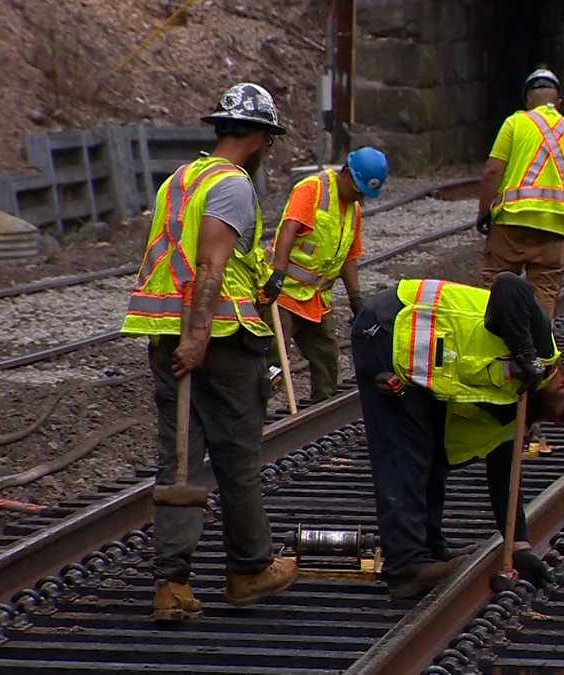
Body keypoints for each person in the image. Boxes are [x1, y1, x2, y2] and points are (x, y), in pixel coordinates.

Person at [121, 82, 298, 622]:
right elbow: (209, 265)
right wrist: (198, 340)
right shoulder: (233, 184)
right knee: (236, 456)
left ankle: (171, 584)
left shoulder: (180, 179)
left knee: (178, 458)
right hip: (219, 341)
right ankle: (249, 569)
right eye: (269, 140)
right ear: (260, 138)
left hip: (164, 332)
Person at [352, 271, 564, 599]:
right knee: (406, 452)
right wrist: (525, 354)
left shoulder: (519, 410)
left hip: (418, 366)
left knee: (432, 455)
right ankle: (406, 566)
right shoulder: (541, 347)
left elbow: (504, 474)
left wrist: (519, 546)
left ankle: (430, 550)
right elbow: (510, 285)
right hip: (393, 327)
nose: (558, 423)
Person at [261, 147, 389, 403]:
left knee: (326, 356)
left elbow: (349, 256)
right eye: (358, 192)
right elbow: (288, 229)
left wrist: (355, 298)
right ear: (346, 174)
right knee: (274, 357)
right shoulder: (313, 189)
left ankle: (321, 411)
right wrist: (277, 274)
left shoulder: (353, 209)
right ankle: (255, 412)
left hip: (316, 299)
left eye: (364, 195)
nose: (360, 199)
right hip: (284, 294)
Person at [475, 68, 564, 318]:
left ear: (528, 100)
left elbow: (492, 171)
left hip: (511, 224)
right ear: (559, 102)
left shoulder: (515, 123)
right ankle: (541, 342)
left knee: (495, 289)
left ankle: (492, 339)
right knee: (545, 294)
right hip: (555, 230)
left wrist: (484, 212)